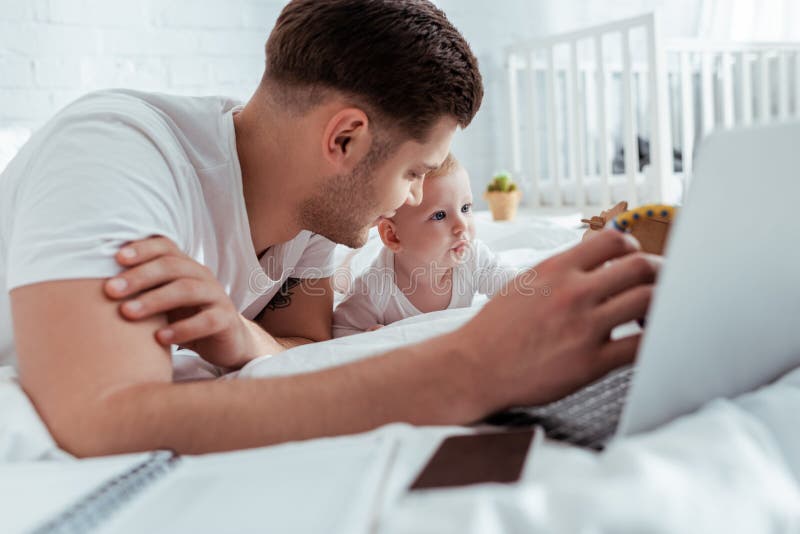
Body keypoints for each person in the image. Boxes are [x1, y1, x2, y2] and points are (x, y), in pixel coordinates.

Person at [1, 0, 658, 457]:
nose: (408, 198)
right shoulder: (118, 152)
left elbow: (294, 345)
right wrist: (468, 371)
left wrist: (241, 335)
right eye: (413, 174)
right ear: (345, 138)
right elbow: (100, 419)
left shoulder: (314, 208)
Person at [332, 153, 517, 336]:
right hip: (365, 257)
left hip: (392, 248)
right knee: (344, 275)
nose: (462, 225)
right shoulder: (373, 288)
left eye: (465, 208)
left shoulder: (472, 256)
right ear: (394, 236)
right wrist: (367, 336)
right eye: (439, 215)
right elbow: (341, 329)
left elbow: (516, 288)